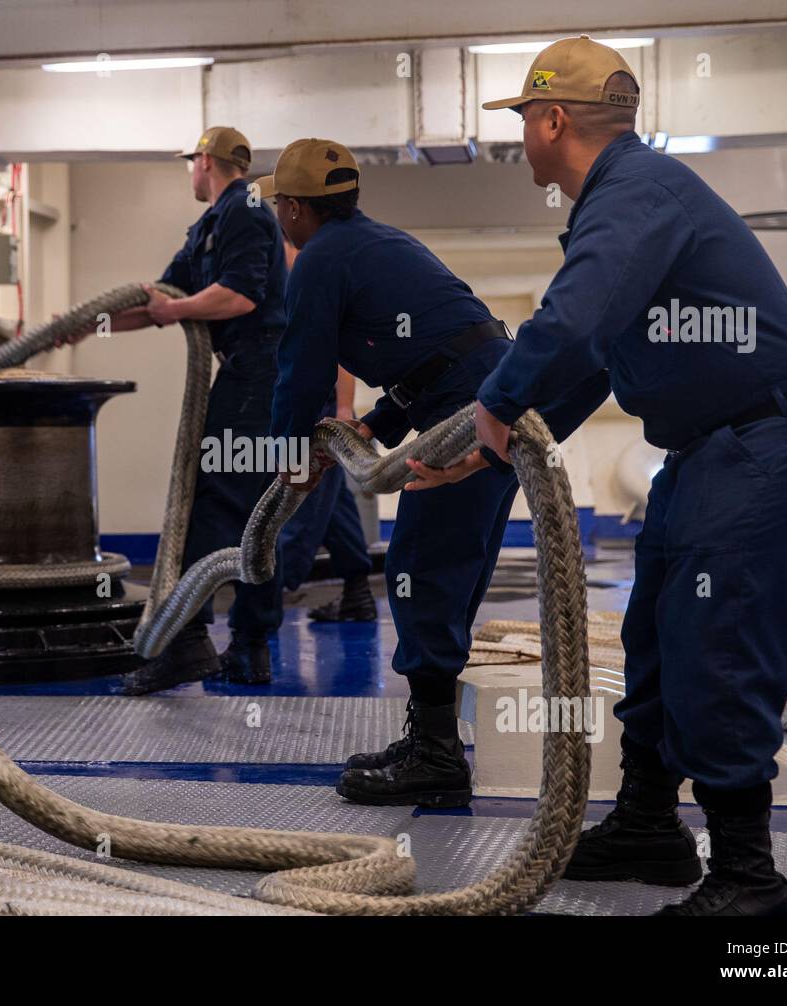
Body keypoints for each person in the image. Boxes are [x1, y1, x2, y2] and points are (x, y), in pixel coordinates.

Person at [419, 35, 787, 915]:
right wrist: (496, 444)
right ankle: (652, 829)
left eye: (523, 125)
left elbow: (569, 321)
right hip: (712, 452)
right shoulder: (625, 200)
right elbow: (596, 362)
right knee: (659, 643)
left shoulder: (634, 193)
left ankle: (748, 880)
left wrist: (495, 408)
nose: (522, 142)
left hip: (769, 450)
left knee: (717, 653)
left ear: (551, 120)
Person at [257, 138, 605, 807]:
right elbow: (441, 350)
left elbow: (298, 370)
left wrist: (288, 462)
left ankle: (437, 755)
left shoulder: (320, 259)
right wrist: (377, 427)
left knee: (422, 566)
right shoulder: (377, 241)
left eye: (280, 205)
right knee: (451, 567)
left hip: (468, 408)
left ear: (295, 209)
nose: (278, 215)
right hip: (489, 392)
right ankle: (431, 736)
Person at [65, 127, 289, 693]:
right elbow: (161, 300)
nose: (190, 172)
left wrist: (173, 311)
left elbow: (238, 297)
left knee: (214, 505)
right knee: (257, 513)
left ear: (206, 161)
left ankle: (189, 642)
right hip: (252, 378)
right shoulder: (209, 226)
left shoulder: (247, 212)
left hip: (259, 378)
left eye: (191, 163)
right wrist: (88, 326)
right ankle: (249, 647)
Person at [277, 369, 376, 623]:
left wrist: (343, 410)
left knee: (306, 499)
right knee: (333, 504)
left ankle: (269, 588)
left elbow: (338, 356)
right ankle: (358, 592)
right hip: (306, 403)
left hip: (319, 410)